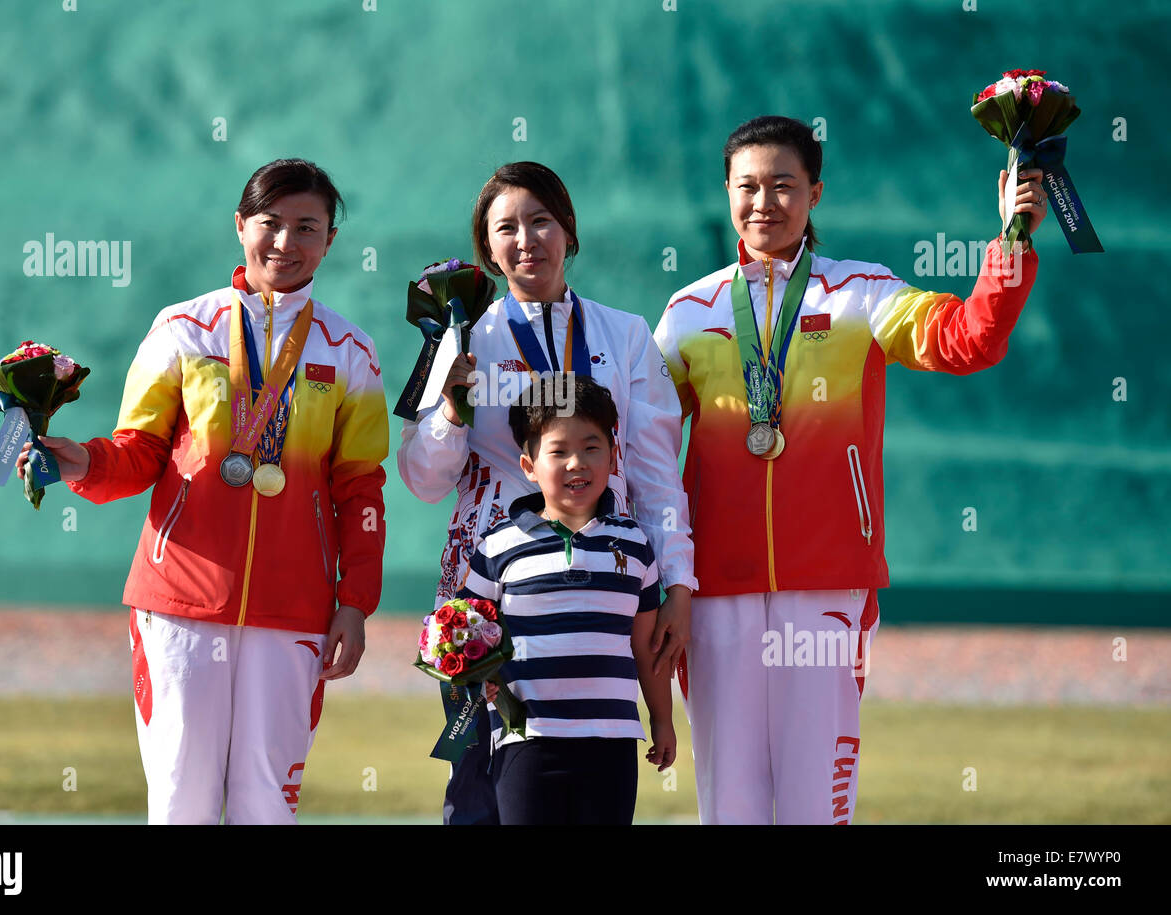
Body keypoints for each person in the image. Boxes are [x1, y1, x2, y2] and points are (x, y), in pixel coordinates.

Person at [653, 115, 1048, 825]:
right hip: (717, 593)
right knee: (729, 808)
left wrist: (1012, 239)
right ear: (727, 192)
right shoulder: (689, 311)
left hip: (826, 587)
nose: (764, 202)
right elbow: (641, 445)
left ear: (815, 194)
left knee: (815, 807)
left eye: (783, 185)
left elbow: (968, 339)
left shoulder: (861, 294)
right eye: (748, 186)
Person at [16, 158, 388, 824]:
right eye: (270, 224)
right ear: (240, 226)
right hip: (180, 602)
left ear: (330, 240)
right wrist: (79, 462)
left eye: (307, 227)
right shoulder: (183, 328)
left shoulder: (350, 351)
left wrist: (355, 602)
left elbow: (360, 491)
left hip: (294, 611)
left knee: (267, 806)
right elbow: (138, 453)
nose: (286, 242)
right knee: (181, 805)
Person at [397, 161, 696, 824]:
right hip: (491, 589)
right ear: (487, 246)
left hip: (602, 583)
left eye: (541, 221)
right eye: (506, 227)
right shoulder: (460, 338)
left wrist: (677, 581)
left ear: (569, 231)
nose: (526, 238)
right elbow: (421, 477)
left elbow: (654, 476)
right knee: (479, 784)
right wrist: (450, 410)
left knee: (592, 765)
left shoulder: (625, 334)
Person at [463, 375, 674, 825]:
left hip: (612, 744)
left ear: (613, 456)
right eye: (558, 451)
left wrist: (661, 718)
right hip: (527, 742)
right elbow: (463, 636)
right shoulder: (499, 545)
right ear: (528, 465)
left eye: (592, 447)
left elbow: (646, 649)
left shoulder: (635, 545)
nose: (577, 463)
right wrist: (485, 685)